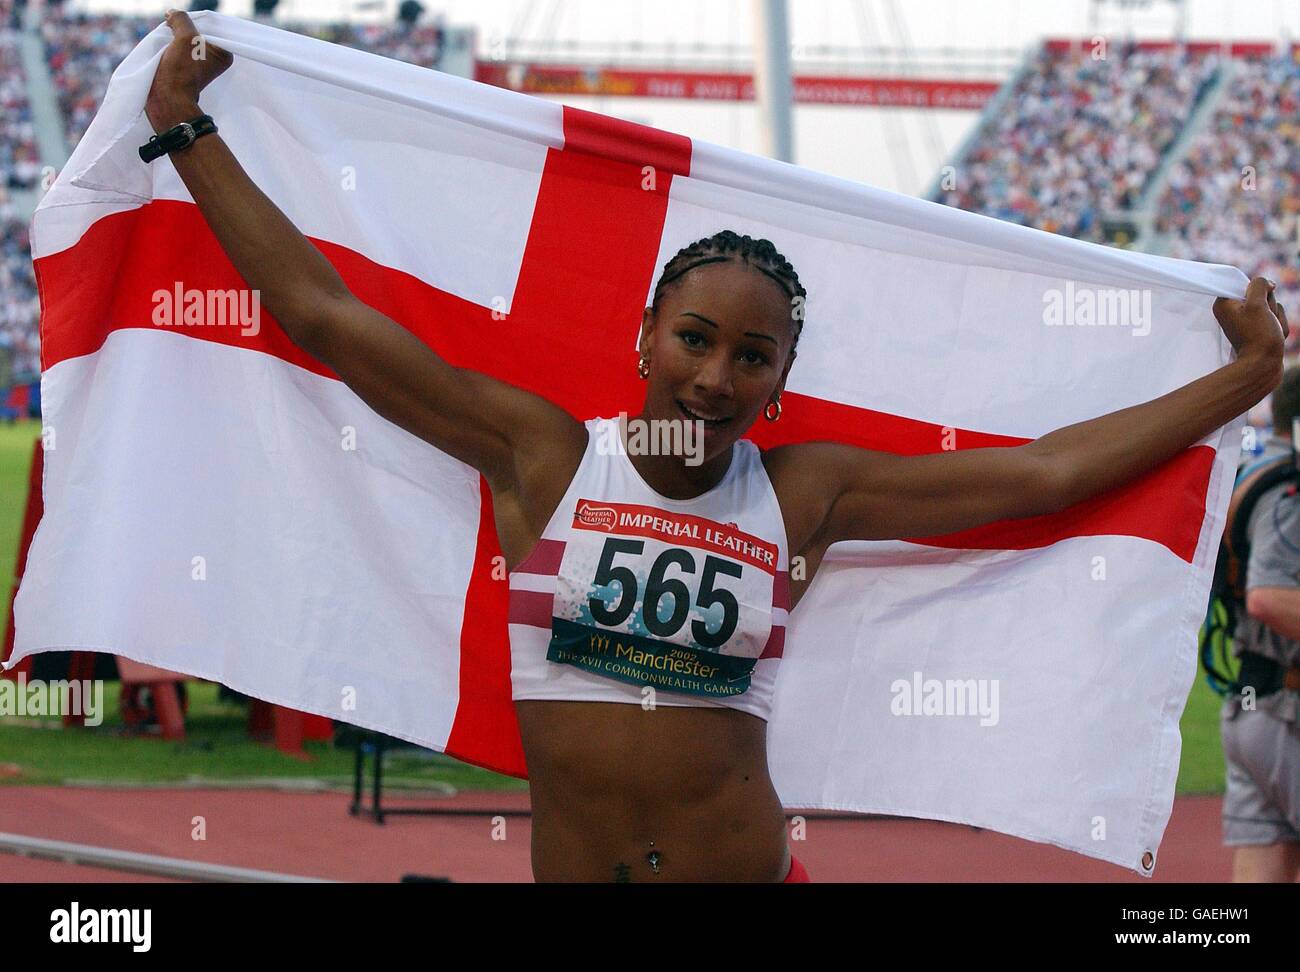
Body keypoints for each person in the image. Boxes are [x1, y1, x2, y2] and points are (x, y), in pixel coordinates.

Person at [144, 10, 1287, 882]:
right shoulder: (541, 456)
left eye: (753, 354)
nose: (714, 374)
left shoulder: (806, 493)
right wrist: (184, 133)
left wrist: (1241, 377)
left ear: (783, 379)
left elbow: (1044, 473)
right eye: (694, 337)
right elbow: (327, 320)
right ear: (643, 333)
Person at [1221, 365, 1300, 882]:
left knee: (1263, 863)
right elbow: (1268, 598)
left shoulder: (1257, 467)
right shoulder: (1291, 486)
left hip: (1254, 697)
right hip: (1287, 708)